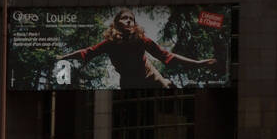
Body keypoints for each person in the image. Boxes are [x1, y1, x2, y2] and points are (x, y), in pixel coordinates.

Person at [55, 8, 217, 89]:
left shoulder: (142, 40)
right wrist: (64, 57)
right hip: (128, 80)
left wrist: (198, 63)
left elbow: (167, 56)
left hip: (149, 73)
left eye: (131, 19)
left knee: (166, 85)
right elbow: (86, 52)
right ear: (117, 23)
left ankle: (167, 82)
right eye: (124, 18)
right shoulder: (109, 43)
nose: (128, 21)